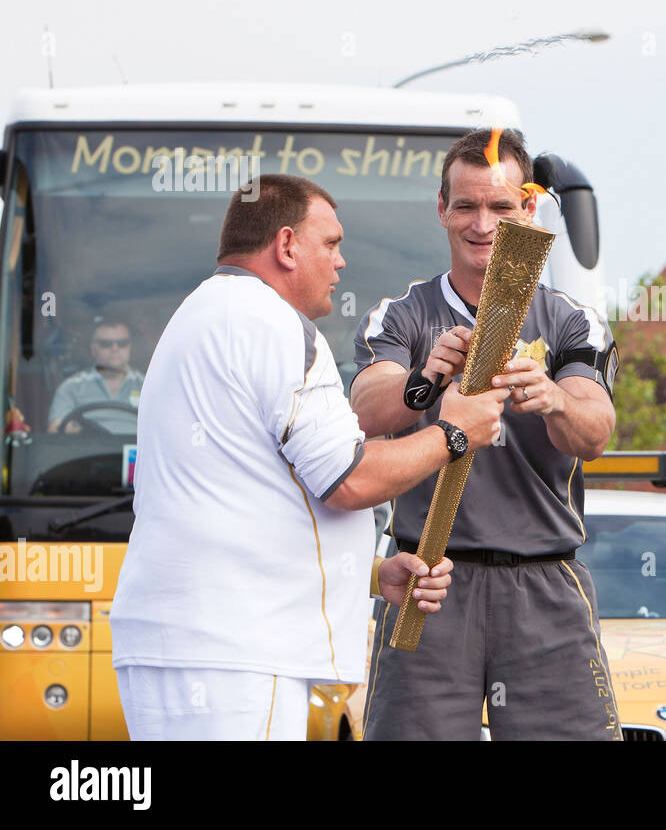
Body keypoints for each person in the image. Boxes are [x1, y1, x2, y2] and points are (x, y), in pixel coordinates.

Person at [111, 174, 510, 740]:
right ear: (287, 246)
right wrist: (453, 431)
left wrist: (369, 576)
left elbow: (250, 495)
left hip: (180, 642)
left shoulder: (198, 314)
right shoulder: (274, 325)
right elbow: (347, 479)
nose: (341, 263)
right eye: (331, 243)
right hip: (239, 650)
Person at [351, 128, 621, 741]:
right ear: (441, 208)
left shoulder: (571, 319)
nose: (483, 224)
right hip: (429, 580)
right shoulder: (403, 313)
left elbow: (595, 429)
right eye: (467, 205)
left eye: (501, 207)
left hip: (544, 582)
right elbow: (367, 408)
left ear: (529, 209)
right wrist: (427, 379)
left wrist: (552, 398)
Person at [48, 318, 144, 434]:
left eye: (122, 343)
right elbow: (55, 428)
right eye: (106, 344)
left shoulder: (146, 386)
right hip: (88, 451)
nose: (115, 348)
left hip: (136, 451)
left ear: (130, 347)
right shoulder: (71, 387)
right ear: (93, 349)